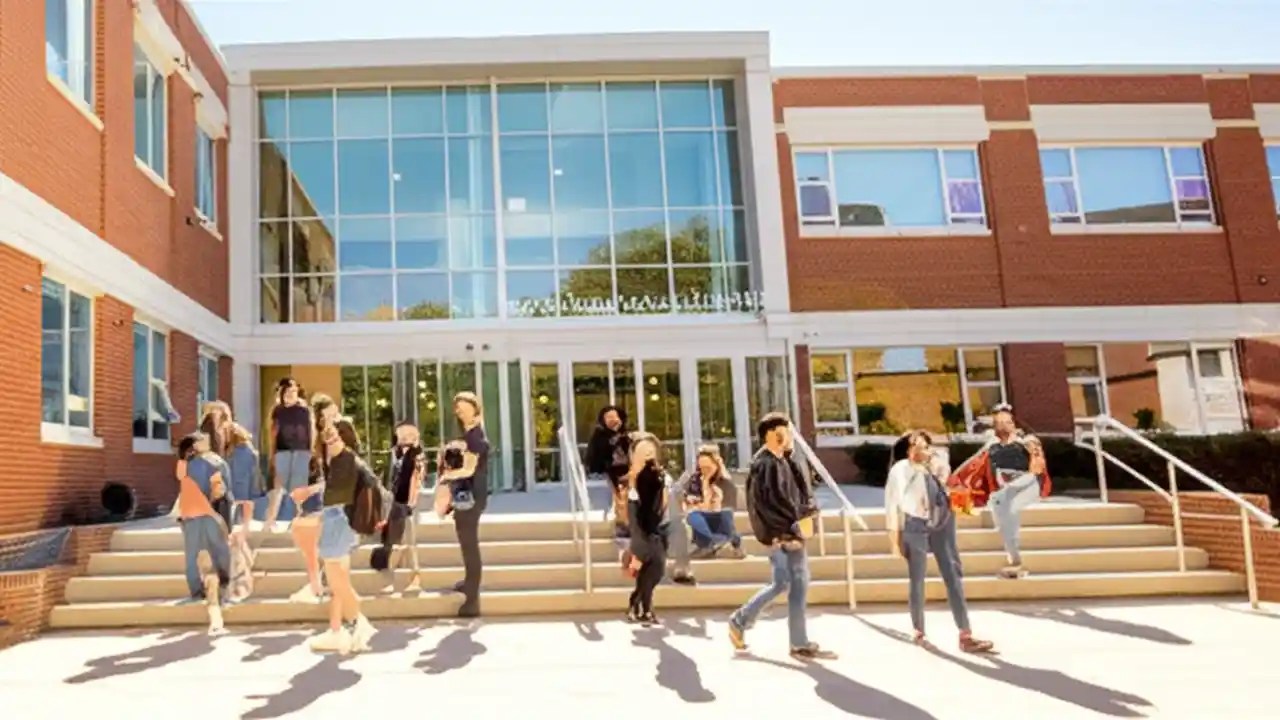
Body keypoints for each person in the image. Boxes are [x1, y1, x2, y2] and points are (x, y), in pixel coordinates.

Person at [885, 430, 994, 653]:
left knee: (953, 575)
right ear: (908, 449)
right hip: (915, 526)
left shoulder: (934, 467)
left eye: (927, 446)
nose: (927, 451)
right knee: (917, 579)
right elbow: (892, 505)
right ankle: (919, 629)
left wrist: (942, 474)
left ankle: (965, 634)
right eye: (921, 446)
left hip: (943, 523)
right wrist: (894, 540)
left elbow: (948, 490)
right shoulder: (900, 470)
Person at [729, 412, 827, 659]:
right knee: (784, 582)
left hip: (791, 531)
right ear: (771, 434)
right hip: (781, 534)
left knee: (798, 585)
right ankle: (740, 620)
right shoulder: (764, 464)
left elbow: (799, 493)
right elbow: (768, 504)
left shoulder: (782, 460)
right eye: (784, 430)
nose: (789, 435)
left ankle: (798, 641)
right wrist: (785, 531)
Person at [296, 418, 378, 654]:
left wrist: (316, 517)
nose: (329, 440)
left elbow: (338, 498)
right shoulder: (338, 460)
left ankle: (358, 624)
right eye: (326, 436)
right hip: (339, 520)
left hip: (340, 521)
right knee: (339, 580)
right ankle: (349, 629)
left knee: (337, 582)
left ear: (345, 437)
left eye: (334, 436)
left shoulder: (346, 459)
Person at [984, 404, 1051, 579]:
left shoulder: (1025, 441)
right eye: (998, 423)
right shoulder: (992, 446)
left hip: (1027, 483)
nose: (1002, 426)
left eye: (1006, 422)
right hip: (1005, 488)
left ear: (1013, 424)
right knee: (1000, 506)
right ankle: (1014, 557)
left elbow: (1037, 467)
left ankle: (1015, 559)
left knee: (1007, 503)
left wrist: (1031, 447)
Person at [174, 432, 231, 633]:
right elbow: (219, 490)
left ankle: (196, 592)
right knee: (219, 550)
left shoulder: (182, 465)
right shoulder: (213, 464)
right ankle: (223, 587)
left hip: (189, 514)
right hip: (208, 512)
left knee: (192, 555)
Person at [440, 391, 489, 618]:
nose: (459, 411)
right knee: (465, 541)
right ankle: (469, 582)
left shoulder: (475, 436)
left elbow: (469, 469)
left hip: (471, 496)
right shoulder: (469, 433)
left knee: (469, 546)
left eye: (464, 407)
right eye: (458, 408)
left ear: (474, 408)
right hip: (466, 495)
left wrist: (446, 476)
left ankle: (472, 600)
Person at [288, 393, 339, 604]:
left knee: (321, 546)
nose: (335, 418)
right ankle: (319, 586)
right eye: (331, 414)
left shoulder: (327, 438)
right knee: (316, 546)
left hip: (323, 496)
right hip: (315, 497)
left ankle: (320, 586)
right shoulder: (311, 441)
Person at [376, 420, 425, 594]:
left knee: (410, 542)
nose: (405, 437)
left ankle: (415, 578)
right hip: (392, 503)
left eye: (410, 434)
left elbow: (417, 480)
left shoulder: (417, 455)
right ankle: (390, 580)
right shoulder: (393, 454)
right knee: (391, 543)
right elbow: (385, 477)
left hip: (407, 504)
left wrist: (411, 503)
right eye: (402, 434)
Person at [626, 433, 668, 626]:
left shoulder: (658, 475)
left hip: (656, 526)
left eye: (651, 450)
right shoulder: (633, 477)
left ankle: (637, 602)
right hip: (640, 528)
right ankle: (645, 608)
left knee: (656, 570)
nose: (648, 453)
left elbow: (663, 502)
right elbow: (631, 508)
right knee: (648, 568)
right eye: (643, 451)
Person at [264, 377, 314, 532]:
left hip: (301, 450)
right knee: (278, 485)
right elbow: (273, 433)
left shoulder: (305, 410)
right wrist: (272, 453)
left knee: (298, 487)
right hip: (283, 450)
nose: (291, 394)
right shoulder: (277, 411)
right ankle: (270, 520)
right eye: (288, 391)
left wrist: (311, 451)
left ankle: (297, 519)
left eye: (294, 391)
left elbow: (311, 431)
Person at [680, 445, 745, 559]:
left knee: (725, 513)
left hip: (720, 522)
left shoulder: (726, 484)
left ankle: (718, 544)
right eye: (702, 468)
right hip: (702, 525)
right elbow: (689, 507)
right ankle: (718, 542)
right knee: (693, 516)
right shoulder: (694, 481)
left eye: (708, 468)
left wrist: (712, 502)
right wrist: (705, 487)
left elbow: (723, 510)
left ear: (717, 465)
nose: (704, 471)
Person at [584, 405, 632, 540]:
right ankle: (622, 525)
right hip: (610, 470)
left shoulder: (626, 435)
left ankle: (630, 524)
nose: (613, 420)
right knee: (620, 498)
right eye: (609, 417)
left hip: (628, 469)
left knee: (629, 498)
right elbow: (597, 454)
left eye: (615, 417)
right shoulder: (600, 435)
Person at [225, 422, 264, 534]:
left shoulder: (232, 452)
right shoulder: (250, 450)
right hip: (248, 486)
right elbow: (255, 472)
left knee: (236, 508)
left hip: (236, 485)